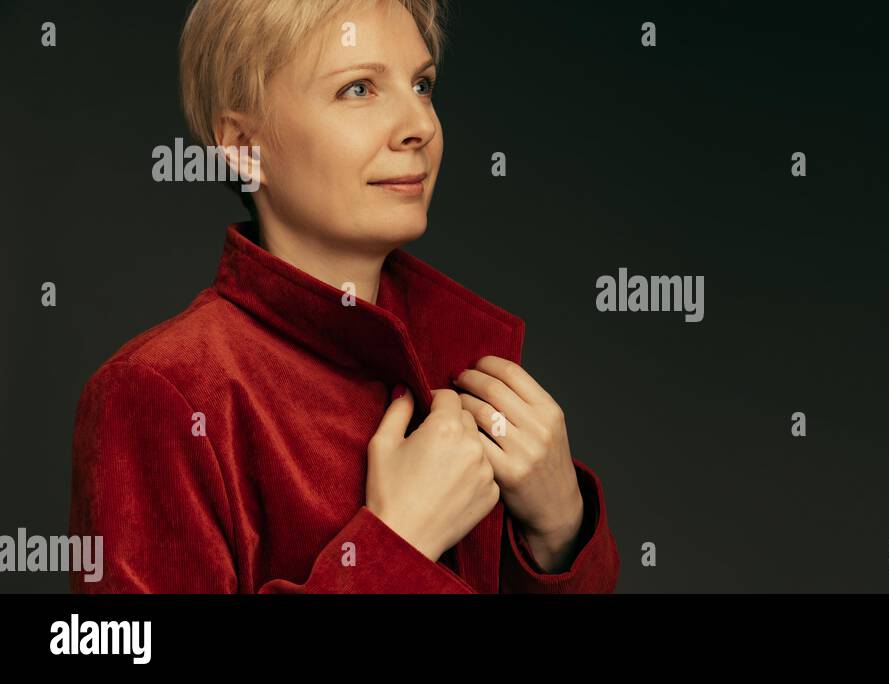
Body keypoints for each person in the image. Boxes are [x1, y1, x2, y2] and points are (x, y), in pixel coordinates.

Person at [68, 0, 619, 593]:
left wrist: (561, 531)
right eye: (358, 88)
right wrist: (395, 545)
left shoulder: (466, 365)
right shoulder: (163, 390)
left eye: (422, 85)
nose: (421, 125)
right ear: (243, 144)